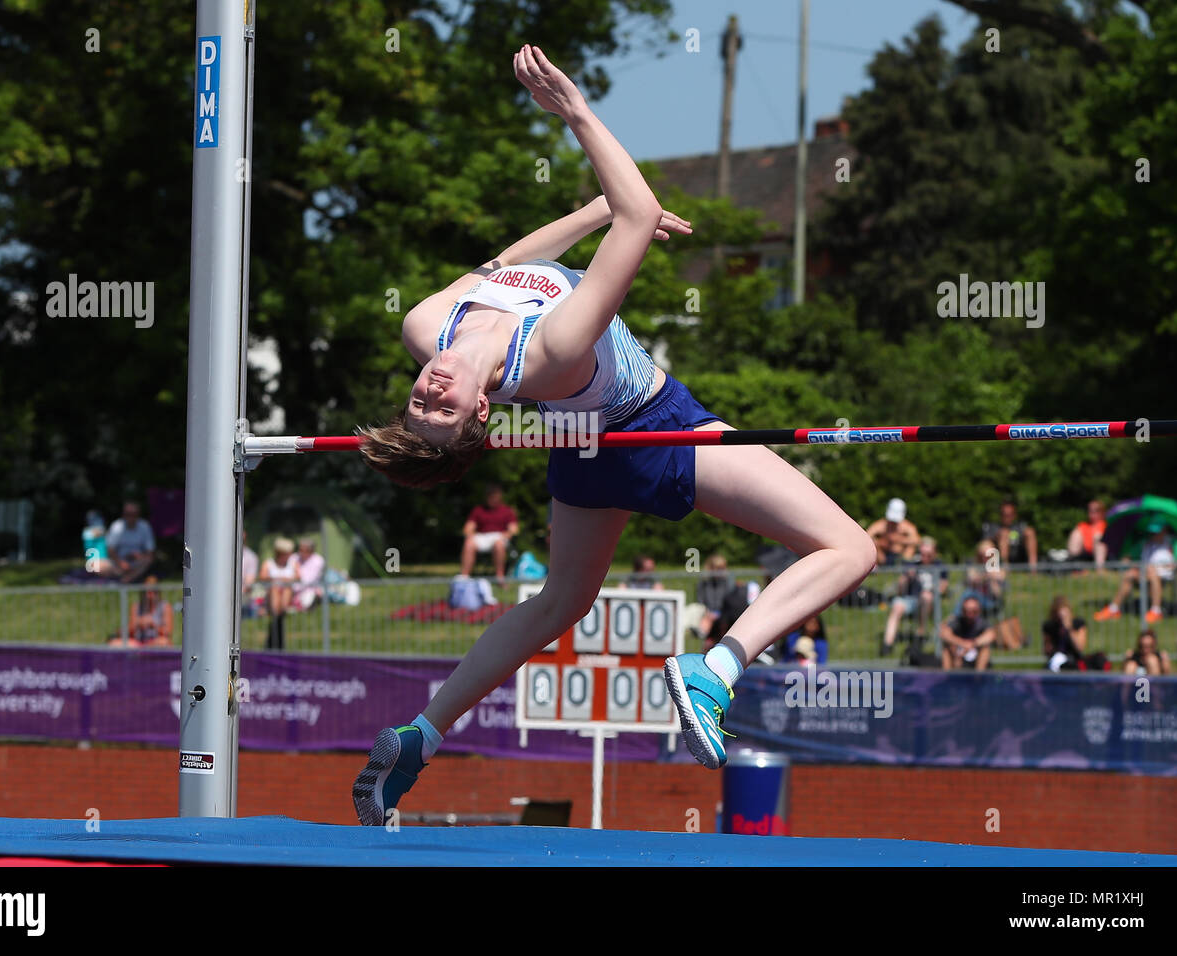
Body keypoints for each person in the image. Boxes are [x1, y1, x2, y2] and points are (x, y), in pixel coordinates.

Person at [349, 47, 876, 825]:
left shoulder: (427, 325)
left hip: (580, 443)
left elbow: (504, 266)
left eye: (420, 403)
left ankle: (418, 737)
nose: (429, 392)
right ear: (482, 414)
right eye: (442, 411)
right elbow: (640, 211)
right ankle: (717, 667)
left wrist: (594, 211)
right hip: (658, 430)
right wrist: (577, 114)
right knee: (851, 548)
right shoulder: (555, 350)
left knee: (560, 599)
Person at [1094, 518, 1177, 623]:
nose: (1152, 534)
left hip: (1165, 574)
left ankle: (1156, 611)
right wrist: (1128, 562)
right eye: (1151, 531)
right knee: (1130, 574)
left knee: (1152, 571)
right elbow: (1128, 558)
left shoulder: (1174, 543)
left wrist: (1172, 565)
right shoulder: (1145, 543)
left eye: (1156, 531)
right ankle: (1113, 608)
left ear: (1164, 530)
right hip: (1146, 572)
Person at [882, 536, 948, 654]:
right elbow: (900, 590)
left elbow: (942, 589)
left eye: (928, 554)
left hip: (929, 601)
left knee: (926, 597)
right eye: (922, 554)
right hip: (911, 599)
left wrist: (931, 590)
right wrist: (906, 578)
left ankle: (920, 635)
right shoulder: (913, 565)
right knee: (897, 606)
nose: (925, 557)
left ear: (934, 553)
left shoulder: (940, 566)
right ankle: (888, 643)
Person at [459, 486, 518, 584]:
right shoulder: (478, 510)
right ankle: (464, 577)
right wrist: (470, 534)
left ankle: (500, 577)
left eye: (495, 496)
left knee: (499, 544)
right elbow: (468, 528)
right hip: (482, 536)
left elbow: (514, 530)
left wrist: (506, 535)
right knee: (469, 542)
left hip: (500, 537)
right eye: (490, 496)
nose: (492, 499)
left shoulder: (507, 511)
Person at [1041, 596, 1108, 671]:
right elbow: (1046, 650)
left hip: (1074, 660)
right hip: (1057, 660)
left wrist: (1069, 627)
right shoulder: (1050, 626)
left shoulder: (1078, 623)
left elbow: (1079, 647)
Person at [108, 576, 174, 647]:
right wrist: (138, 623)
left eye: (153, 592)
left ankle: (145, 650)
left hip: (155, 641)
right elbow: (130, 631)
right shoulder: (136, 606)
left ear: (158, 592)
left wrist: (153, 625)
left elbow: (168, 632)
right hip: (138, 642)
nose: (149, 596)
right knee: (114, 643)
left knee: (163, 642)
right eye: (146, 592)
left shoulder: (166, 607)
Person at [260, 538, 299, 650]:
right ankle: (278, 614)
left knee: (285, 589)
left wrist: (282, 580)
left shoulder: (293, 564)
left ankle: (279, 614)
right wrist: (277, 579)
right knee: (275, 589)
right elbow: (262, 576)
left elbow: (298, 577)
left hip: (288, 595)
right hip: (273, 595)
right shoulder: (269, 563)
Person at [939, 596, 996, 670]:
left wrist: (972, 644)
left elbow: (991, 635)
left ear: (979, 610)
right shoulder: (957, 621)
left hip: (975, 653)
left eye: (974, 611)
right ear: (963, 611)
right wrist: (962, 644)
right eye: (967, 611)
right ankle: (949, 677)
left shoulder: (982, 622)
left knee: (985, 649)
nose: (970, 614)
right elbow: (944, 634)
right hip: (958, 653)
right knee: (947, 648)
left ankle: (979, 678)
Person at [105, 502, 156, 584]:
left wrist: (139, 556)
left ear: (138, 515)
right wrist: (120, 563)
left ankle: (125, 580)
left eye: (134, 514)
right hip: (118, 562)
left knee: (148, 560)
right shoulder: (117, 526)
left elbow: (150, 552)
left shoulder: (145, 526)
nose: (131, 517)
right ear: (123, 514)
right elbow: (110, 549)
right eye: (128, 514)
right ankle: (126, 577)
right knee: (96, 565)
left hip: (137, 563)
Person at [983, 499, 1037, 571]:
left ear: (1014, 515)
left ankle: (1033, 570)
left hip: (1019, 555)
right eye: (1004, 514)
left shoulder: (1019, 527)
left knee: (1030, 532)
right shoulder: (993, 527)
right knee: (1004, 534)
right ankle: (1005, 569)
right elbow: (985, 546)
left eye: (1009, 515)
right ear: (1000, 514)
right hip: (997, 559)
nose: (1007, 517)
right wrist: (999, 537)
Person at [866, 498, 920, 567]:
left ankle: (905, 565)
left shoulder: (907, 527)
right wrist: (882, 542)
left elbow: (917, 541)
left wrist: (899, 540)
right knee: (874, 544)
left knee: (911, 547)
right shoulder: (880, 525)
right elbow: (867, 537)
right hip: (884, 557)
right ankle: (881, 567)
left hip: (901, 555)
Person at [1066, 500, 1108, 570]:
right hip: (1084, 552)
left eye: (1096, 510)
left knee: (1098, 537)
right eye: (1090, 510)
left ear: (1102, 512)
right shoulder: (1083, 526)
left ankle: (1100, 570)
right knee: (1076, 534)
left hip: (1103, 554)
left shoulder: (1106, 525)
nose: (1092, 513)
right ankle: (1073, 565)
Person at [293, 536, 326, 611]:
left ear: (310, 550)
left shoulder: (318, 560)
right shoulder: (294, 557)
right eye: (300, 549)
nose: (300, 552)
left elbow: (309, 579)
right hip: (293, 587)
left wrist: (297, 575)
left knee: (307, 599)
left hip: (309, 589)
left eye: (303, 550)